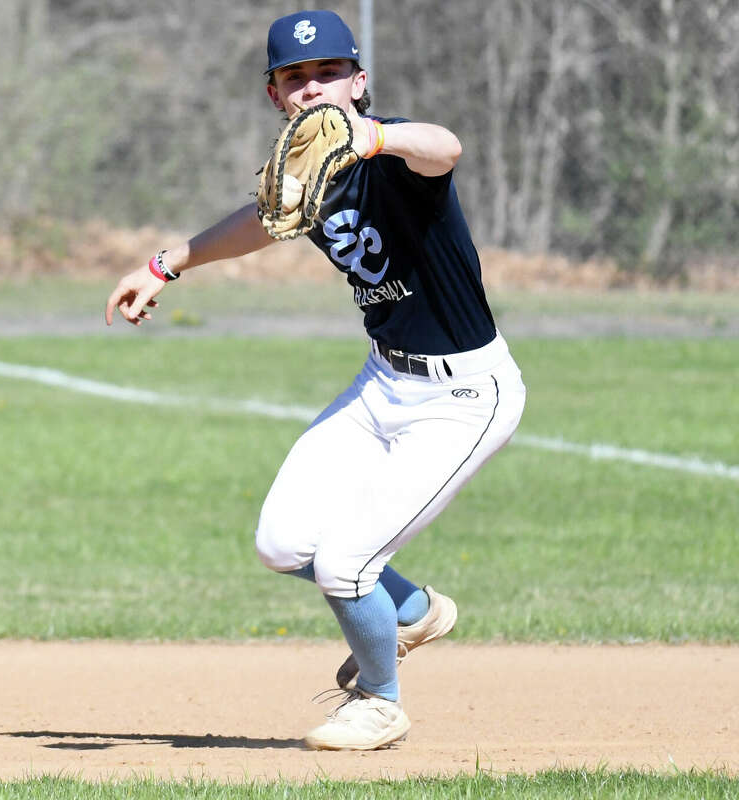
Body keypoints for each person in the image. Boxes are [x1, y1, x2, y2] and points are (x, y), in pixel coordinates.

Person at [104, 9, 526, 751]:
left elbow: (446, 147)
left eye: (329, 72)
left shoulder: (393, 153)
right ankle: (414, 611)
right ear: (275, 95)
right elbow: (260, 222)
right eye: (294, 77)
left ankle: (379, 703)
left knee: (344, 563)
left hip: (463, 396)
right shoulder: (309, 172)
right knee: (281, 543)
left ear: (359, 82)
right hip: (383, 384)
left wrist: (375, 137)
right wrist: (165, 264)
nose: (313, 87)